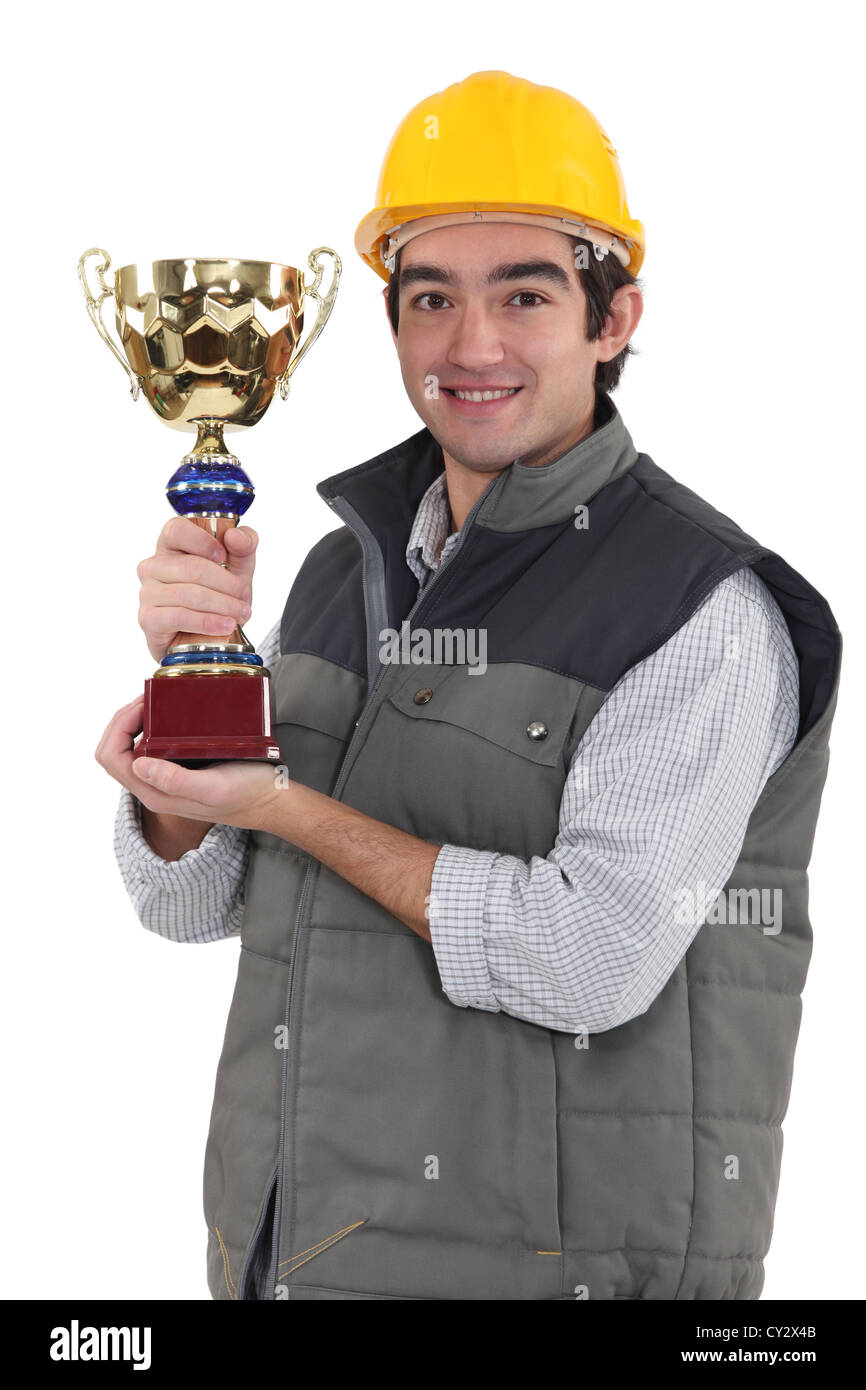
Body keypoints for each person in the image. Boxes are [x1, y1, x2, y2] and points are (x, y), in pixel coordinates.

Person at [96, 70, 842, 1301]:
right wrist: (183, 716)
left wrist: (287, 806)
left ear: (612, 318)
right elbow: (191, 901)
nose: (471, 345)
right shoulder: (342, 570)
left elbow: (589, 954)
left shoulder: (697, 603)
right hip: (290, 1267)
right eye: (431, 297)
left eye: (524, 295)